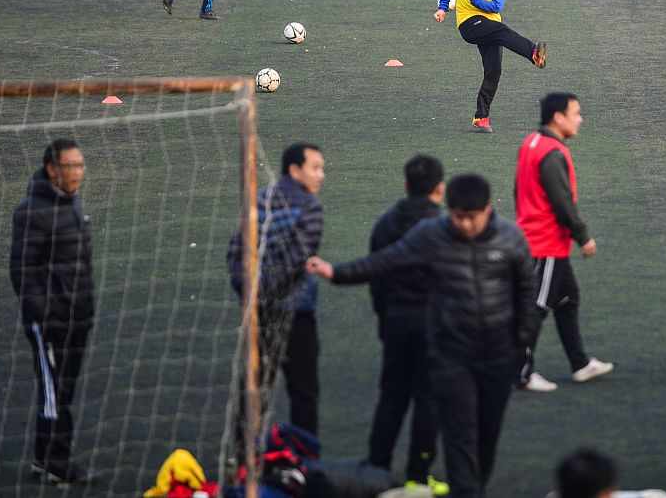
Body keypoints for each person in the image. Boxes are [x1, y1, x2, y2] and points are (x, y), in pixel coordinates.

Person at [308, 173, 539, 498]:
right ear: (449, 209)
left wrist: (522, 339)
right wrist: (338, 273)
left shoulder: (511, 238)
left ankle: (476, 487)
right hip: (452, 356)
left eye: (472, 218)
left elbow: (527, 290)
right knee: (460, 434)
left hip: (499, 355)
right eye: (458, 217)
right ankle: (466, 492)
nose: (465, 225)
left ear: (487, 210)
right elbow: (386, 261)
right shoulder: (432, 235)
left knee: (487, 434)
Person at [11, 138, 96, 487]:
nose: (78, 172)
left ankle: (44, 459)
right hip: (48, 321)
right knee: (53, 394)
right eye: (70, 166)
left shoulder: (71, 204)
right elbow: (22, 271)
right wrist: (42, 315)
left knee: (65, 391)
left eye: (80, 165)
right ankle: (55, 463)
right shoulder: (31, 211)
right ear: (52, 169)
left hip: (78, 317)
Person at [226, 143, 326, 439]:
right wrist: (267, 293)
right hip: (295, 313)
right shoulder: (310, 207)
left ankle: (243, 457)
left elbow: (235, 252)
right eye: (316, 168)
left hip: (258, 310)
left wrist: (250, 292)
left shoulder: (260, 199)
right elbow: (297, 259)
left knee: (255, 386)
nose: (321, 175)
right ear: (295, 170)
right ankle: (304, 460)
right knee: (304, 391)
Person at [516, 93, 613, 393]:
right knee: (536, 307)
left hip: (537, 238)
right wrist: (582, 236)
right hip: (543, 243)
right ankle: (519, 373)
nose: (580, 119)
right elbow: (562, 202)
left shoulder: (532, 142)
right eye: (576, 113)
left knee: (567, 299)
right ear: (558, 117)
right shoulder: (553, 152)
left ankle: (580, 364)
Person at [364, 155, 448, 494]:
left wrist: (384, 317)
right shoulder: (442, 228)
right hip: (431, 326)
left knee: (392, 396)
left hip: (396, 321)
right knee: (428, 401)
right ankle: (418, 475)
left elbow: (375, 277)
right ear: (439, 189)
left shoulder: (386, 224)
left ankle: (376, 467)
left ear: (405, 185)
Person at [434, 0, 546, 133]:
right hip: (469, 23)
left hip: (491, 25)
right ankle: (533, 53)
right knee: (502, 31)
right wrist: (442, 8)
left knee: (493, 71)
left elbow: (495, 7)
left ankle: (481, 117)